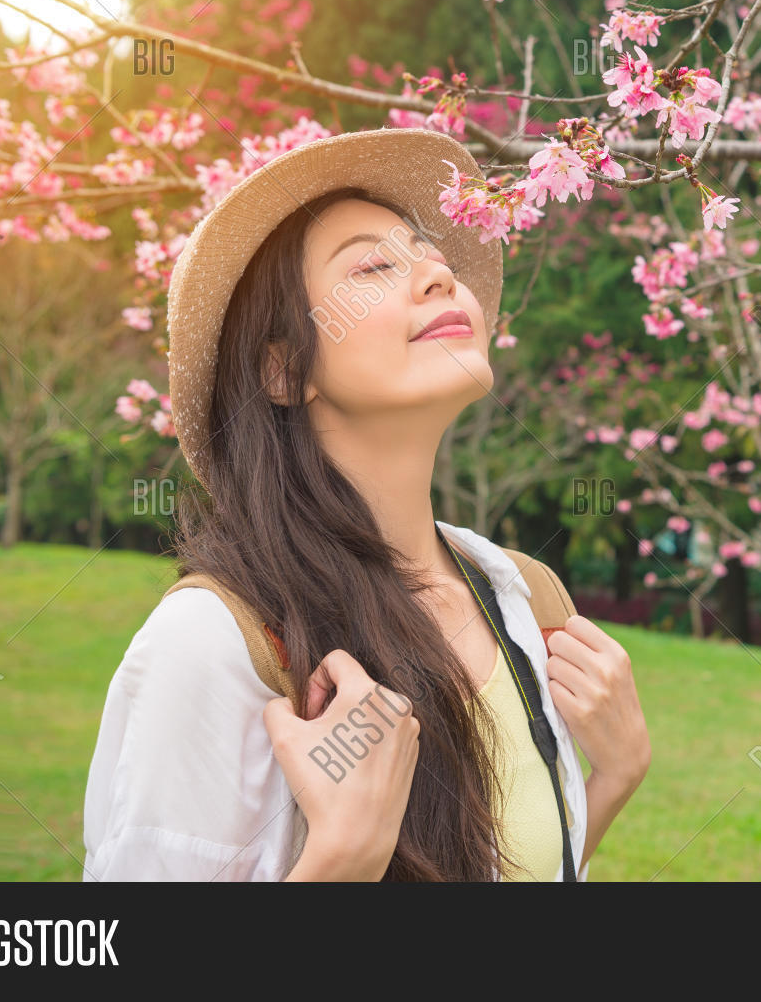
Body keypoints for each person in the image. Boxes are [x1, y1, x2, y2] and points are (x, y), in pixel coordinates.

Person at [82, 127, 650, 881]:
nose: (439, 277)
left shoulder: (519, 600)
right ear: (284, 371)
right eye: (375, 265)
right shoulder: (216, 643)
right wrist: (342, 857)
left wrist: (611, 778)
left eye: (435, 257)